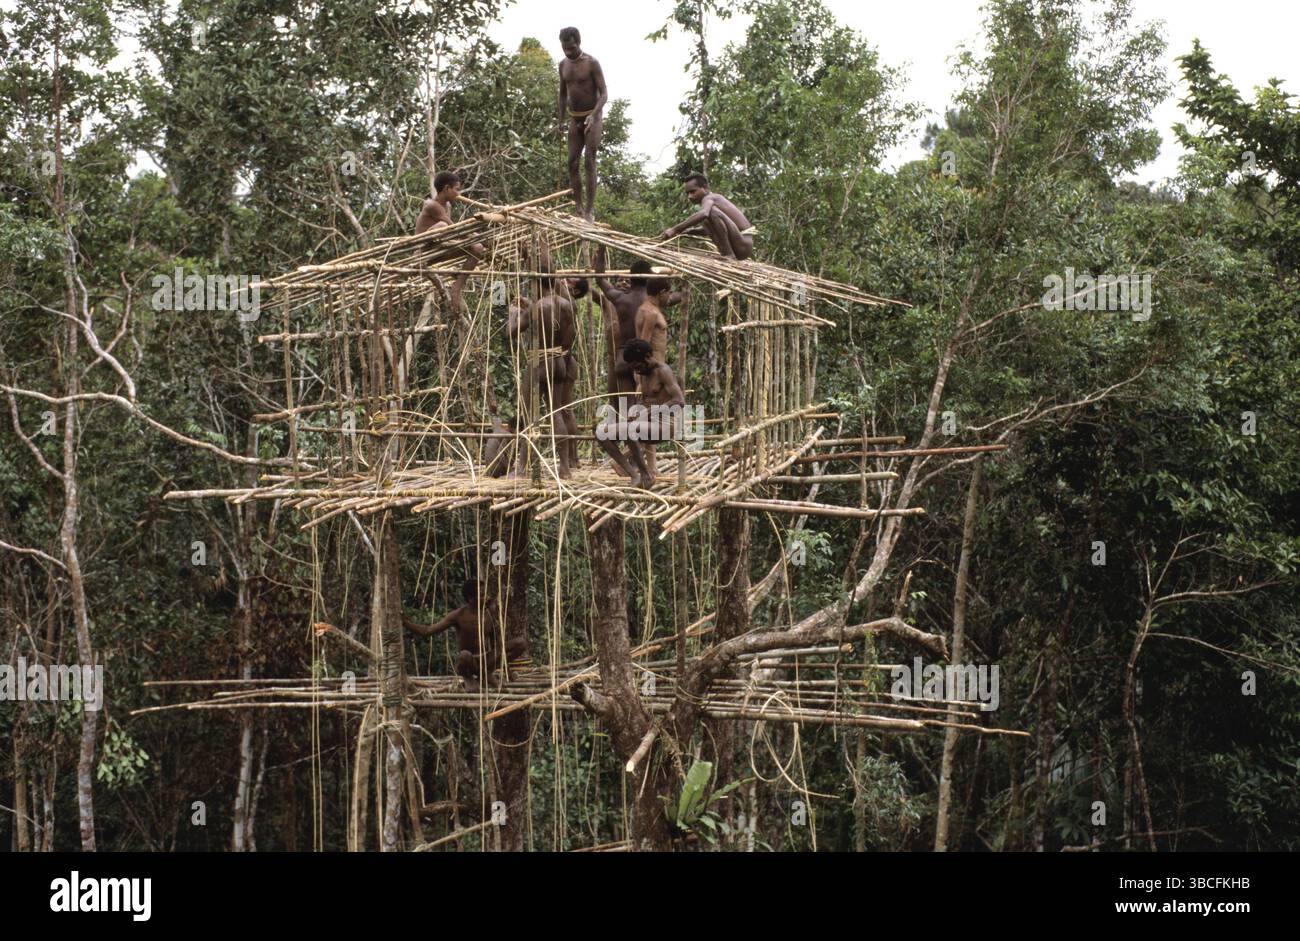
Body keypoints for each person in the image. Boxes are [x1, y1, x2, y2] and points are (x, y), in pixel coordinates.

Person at [508, 276, 584, 478]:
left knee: (529, 414)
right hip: (560, 361)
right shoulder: (567, 305)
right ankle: (565, 468)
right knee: (557, 412)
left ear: (538, 284)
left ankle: (523, 468)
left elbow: (511, 332)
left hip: (540, 362)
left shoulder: (539, 307)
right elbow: (570, 336)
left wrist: (514, 313)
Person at [596, 338, 686, 490]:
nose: (636, 371)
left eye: (637, 366)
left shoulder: (663, 371)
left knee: (631, 429)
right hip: (645, 423)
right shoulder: (642, 374)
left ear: (647, 357)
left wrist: (650, 412)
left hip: (665, 425)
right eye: (633, 368)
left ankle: (646, 476)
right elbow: (646, 401)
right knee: (601, 433)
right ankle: (635, 475)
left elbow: (679, 400)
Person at [405, 580, 524, 692]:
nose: (486, 598)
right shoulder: (459, 615)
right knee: (464, 655)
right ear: (470, 598)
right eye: (482, 595)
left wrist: (505, 669)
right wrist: (405, 622)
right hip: (469, 661)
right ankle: (469, 677)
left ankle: (485, 674)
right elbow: (428, 630)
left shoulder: (488, 613)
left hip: (486, 660)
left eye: (485, 594)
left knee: (520, 643)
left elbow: (496, 644)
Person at [414, 170, 485, 309]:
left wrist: (476, 239)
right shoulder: (432, 205)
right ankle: (455, 287)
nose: (459, 194)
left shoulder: (447, 206)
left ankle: (457, 287)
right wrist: (474, 236)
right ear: (447, 188)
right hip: (422, 252)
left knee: (477, 248)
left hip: (438, 249)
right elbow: (454, 229)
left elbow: (452, 234)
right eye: (457, 189)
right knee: (443, 225)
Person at [556, 27, 607, 221]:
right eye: (564, 48)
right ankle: (578, 206)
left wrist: (593, 115)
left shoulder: (591, 63)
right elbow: (562, 94)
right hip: (574, 118)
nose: (568, 51)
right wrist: (560, 120)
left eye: (571, 47)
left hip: (592, 117)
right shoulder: (562, 65)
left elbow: (604, 94)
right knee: (572, 162)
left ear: (578, 42)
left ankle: (589, 211)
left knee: (589, 161)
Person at [660, 172, 754, 260]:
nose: (690, 196)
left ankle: (729, 254)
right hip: (740, 246)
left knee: (710, 213)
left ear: (705, 188)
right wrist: (690, 231)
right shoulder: (710, 202)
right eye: (688, 193)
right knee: (706, 220)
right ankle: (727, 253)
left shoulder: (709, 198)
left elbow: (704, 214)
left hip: (743, 245)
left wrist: (675, 229)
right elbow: (717, 228)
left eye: (693, 191)